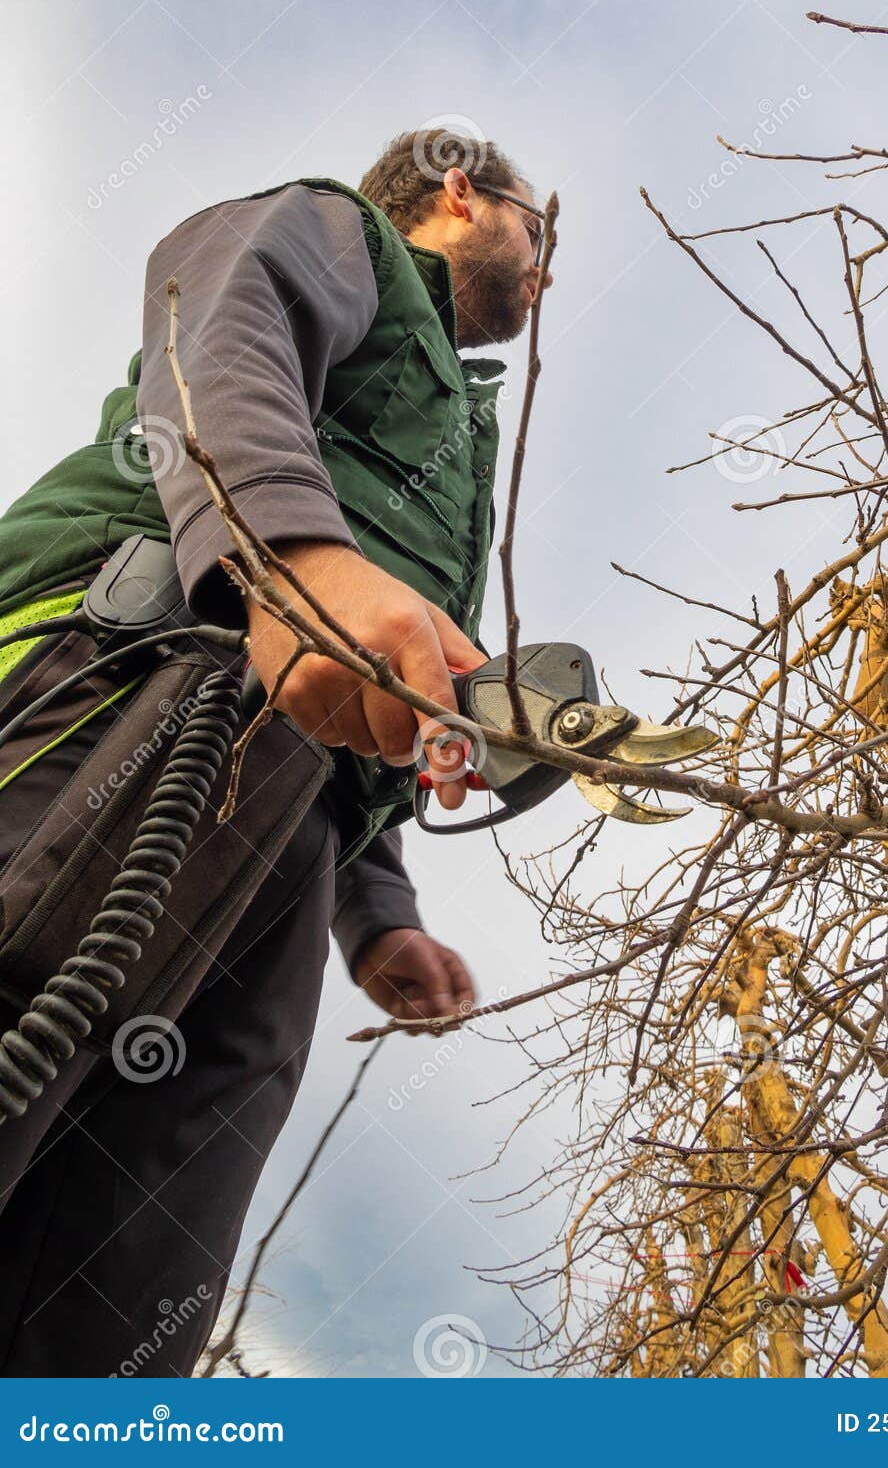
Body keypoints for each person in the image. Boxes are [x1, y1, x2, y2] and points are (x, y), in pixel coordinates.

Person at [0, 129, 549, 1374]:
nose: (546, 265)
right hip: (126, 665)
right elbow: (215, 308)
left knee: (139, 1249)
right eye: (539, 227)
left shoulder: (454, 426)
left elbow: (360, 676)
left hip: (287, 840)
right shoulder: (328, 227)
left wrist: (376, 909)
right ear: (462, 193)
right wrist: (296, 558)